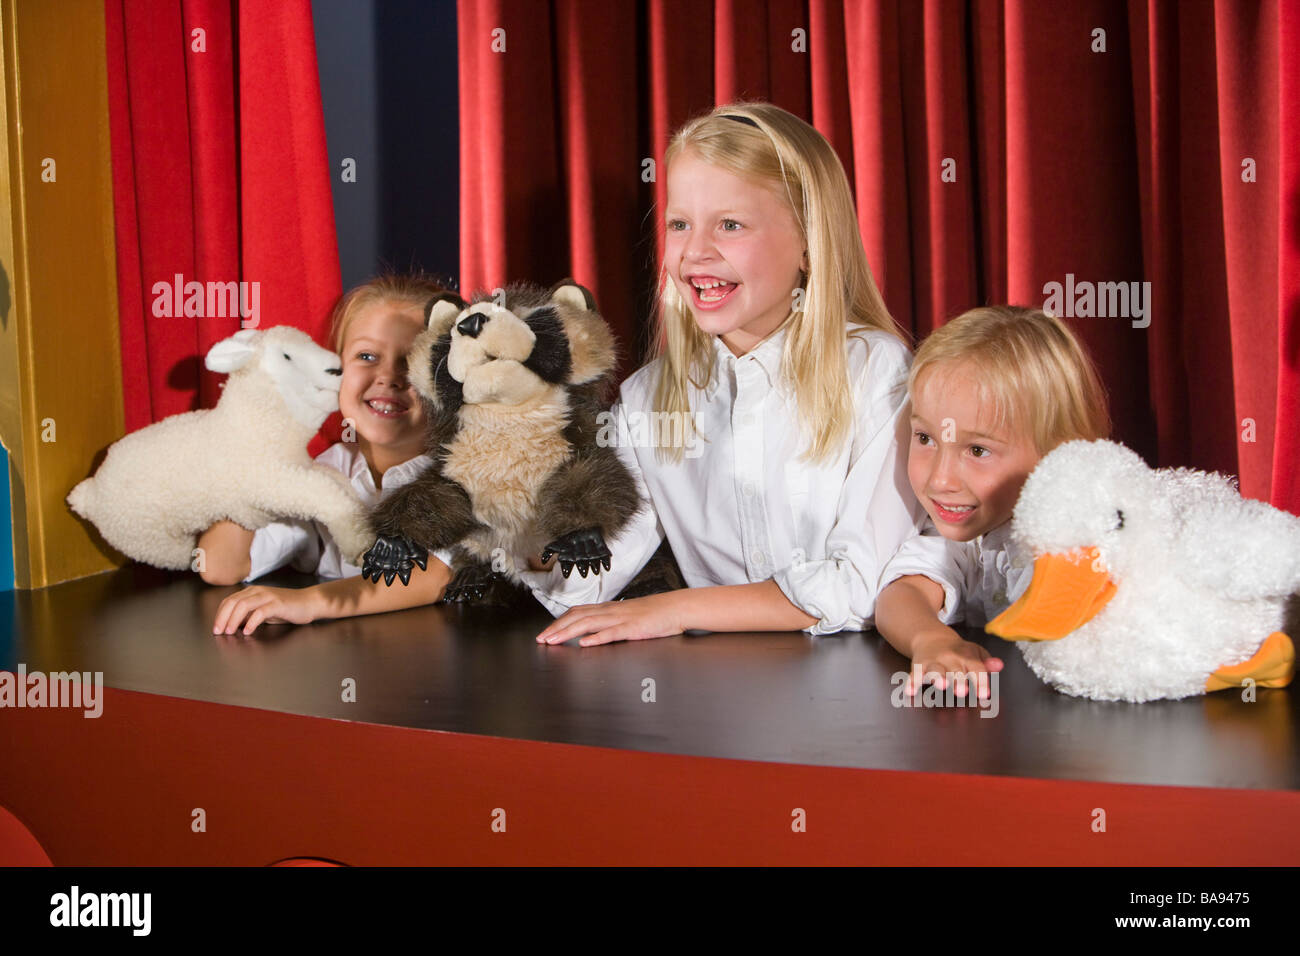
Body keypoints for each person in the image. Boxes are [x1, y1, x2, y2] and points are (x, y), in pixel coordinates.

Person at [530, 101, 924, 646]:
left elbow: (861, 584)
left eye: (731, 225)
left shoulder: (875, 371)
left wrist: (673, 610)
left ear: (810, 241)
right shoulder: (649, 398)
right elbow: (579, 582)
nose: (694, 252)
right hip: (717, 700)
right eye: (679, 224)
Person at [197, 273, 455, 635]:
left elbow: (431, 575)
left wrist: (308, 602)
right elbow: (220, 565)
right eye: (366, 356)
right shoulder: (326, 471)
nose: (388, 377)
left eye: (412, 362)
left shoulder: (461, 476)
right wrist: (257, 446)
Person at [874, 305, 1111, 697]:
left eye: (978, 450)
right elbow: (904, 592)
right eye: (925, 439)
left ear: (1058, 452)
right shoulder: (973, 536)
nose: (940, 479)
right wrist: (931, 641)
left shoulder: (1080, 542)